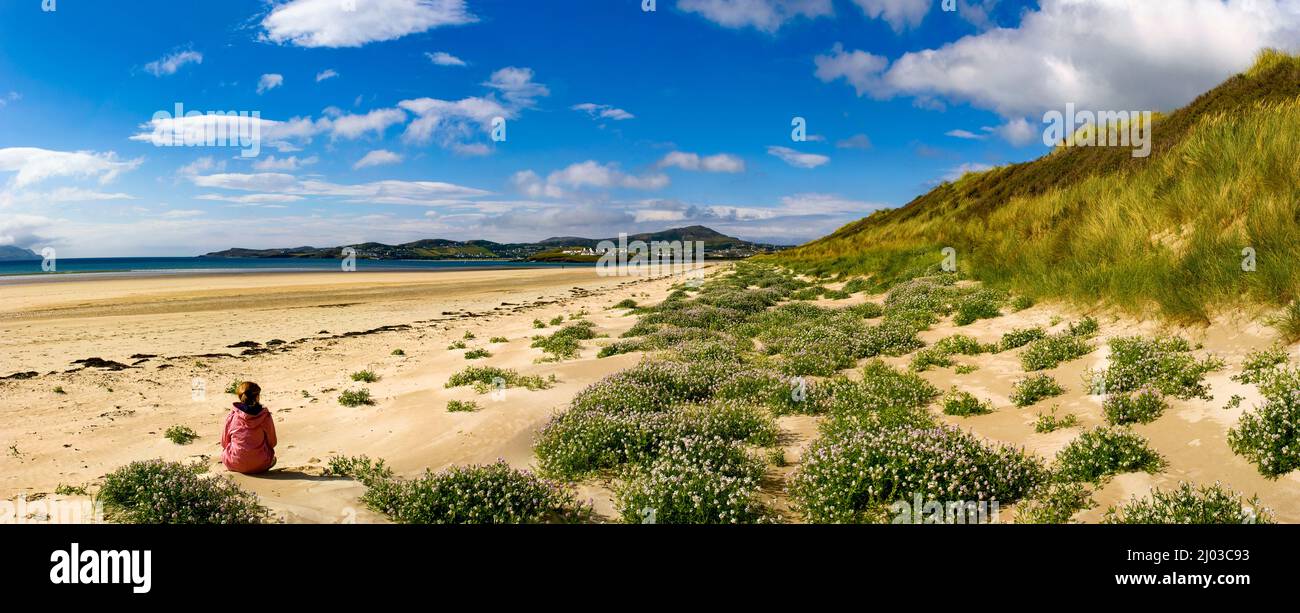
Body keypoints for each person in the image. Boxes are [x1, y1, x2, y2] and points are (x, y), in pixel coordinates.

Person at [220, 381, 277, 474]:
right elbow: (272, 443)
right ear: (257, 397)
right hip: (260, 465)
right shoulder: (265, 416)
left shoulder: (232, 416)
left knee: (226, 451)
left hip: (234, 463)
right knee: (272, 457)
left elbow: (224, 443)